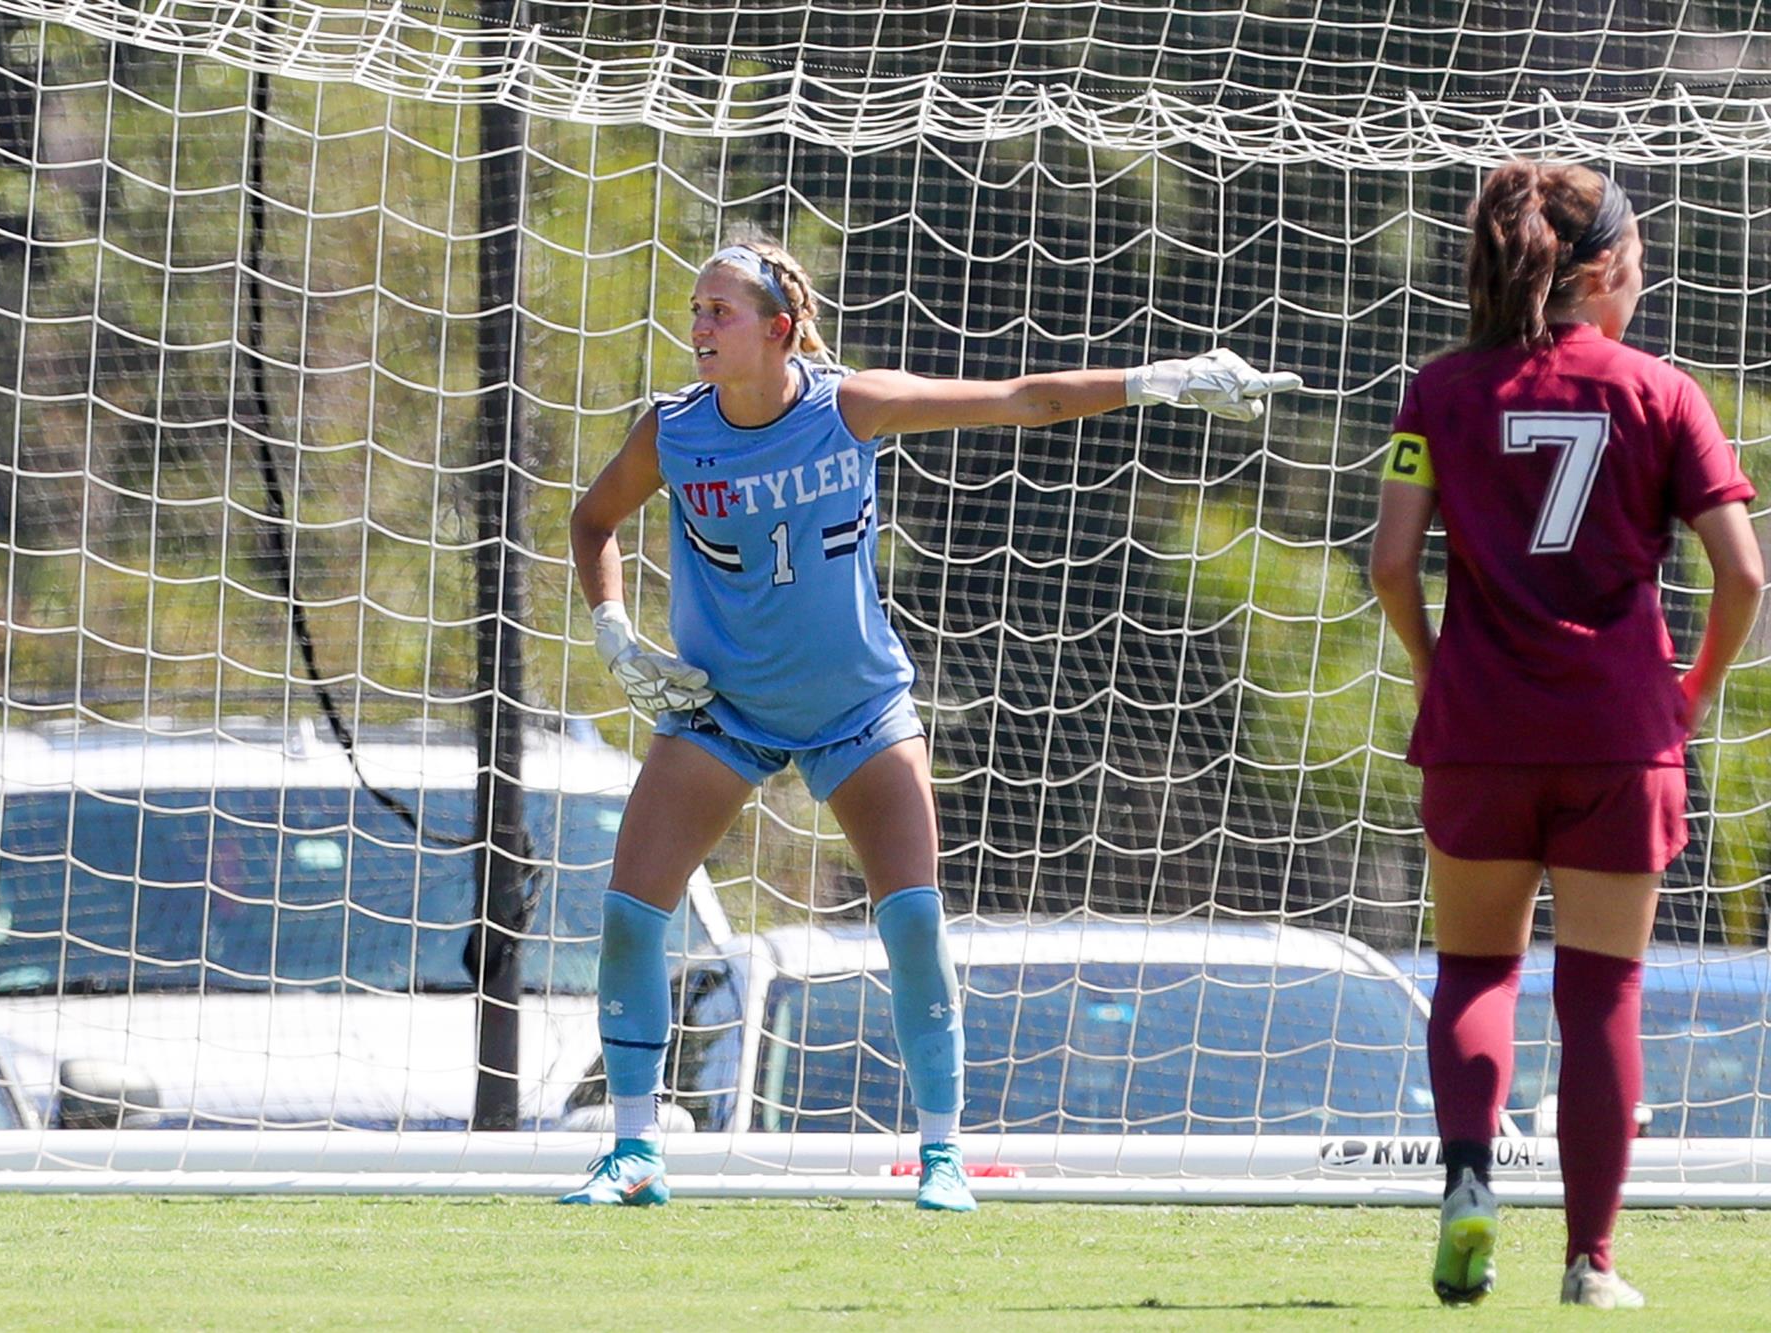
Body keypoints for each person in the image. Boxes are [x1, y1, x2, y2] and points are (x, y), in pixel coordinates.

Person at [559, 235, 1301, 1211]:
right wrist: (613, 631)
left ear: (779, 331)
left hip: (855, 712)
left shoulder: (849, 405)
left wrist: (1158, 380)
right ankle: (631, 1151)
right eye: (693, 309)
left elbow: (1019, 398)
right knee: (627, 914)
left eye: (718, 311)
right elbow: (591, 520)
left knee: (911, 922)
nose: (696, 325)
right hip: (721, 711)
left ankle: (941, 1157)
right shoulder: (672, 430)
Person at [1370, 161, 1763, 1308]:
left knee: (1475, 971)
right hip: (1616, 733)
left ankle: (1464, 1187)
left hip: (1479, 730)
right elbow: (1741, 574)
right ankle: (1589, 1263)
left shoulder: (1437, 391)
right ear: (1597, 273)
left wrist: (1437, 667)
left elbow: (1391, 560)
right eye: (1634, 265)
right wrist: (1685, 692)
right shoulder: (1659, 390)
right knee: (1600, 992)